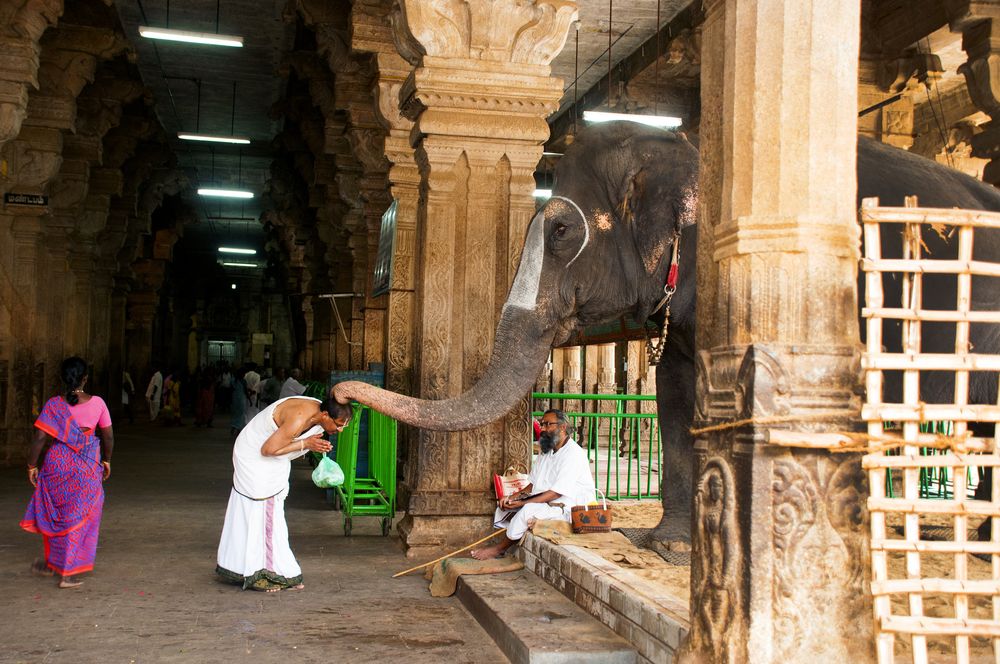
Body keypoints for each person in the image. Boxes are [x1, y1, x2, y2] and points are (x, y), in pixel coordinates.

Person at [215, 395, 352, 592]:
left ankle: (242, 566)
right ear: (325, 415)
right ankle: (265, 573)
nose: (339, 430)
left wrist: (310, 444)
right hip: (255, 455)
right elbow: (268, 449)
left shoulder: (319, 414)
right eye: (338, 425)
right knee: (265, 513)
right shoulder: (299, 417)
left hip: (263, 455)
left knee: (262, 513)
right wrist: (307, 444)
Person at [21, 357, 114, 589]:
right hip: (86, 468)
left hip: (57, 466)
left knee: (57, 515)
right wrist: (107, 460)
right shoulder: (99, 403)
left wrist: (32, 466)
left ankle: (52, 563)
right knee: (80, 518)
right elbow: (108, 436)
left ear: (62, 378)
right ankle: (67, 574)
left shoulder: (54, 405)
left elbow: (40, 439)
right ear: (85, 378)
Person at [472, 409, 595, 560]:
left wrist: (523, 502)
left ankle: (499, 549)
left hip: (570, 507)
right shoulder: (546, 451)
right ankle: (512, 537)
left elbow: (556, 493)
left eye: (548, 424)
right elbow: (532, 484)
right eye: (542, 424)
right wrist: (512, 498)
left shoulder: (574, 454)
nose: (542, 428)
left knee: (528, 509)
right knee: (504, 506)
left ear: (562, 427)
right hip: (548, 501)